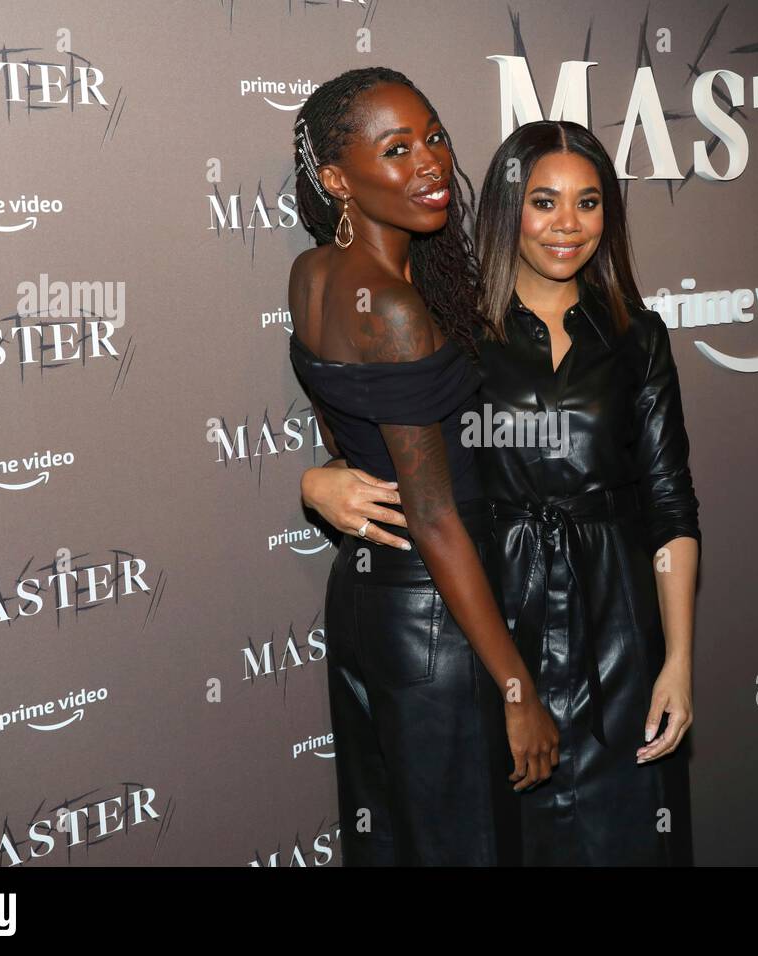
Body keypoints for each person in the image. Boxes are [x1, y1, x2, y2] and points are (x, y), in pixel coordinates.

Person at [303, 119, 701, 865]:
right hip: (490, 620)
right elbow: (396, 449)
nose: (567, 225)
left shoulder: (637, 335)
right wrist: (318, 477)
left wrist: (677, 660)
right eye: (544, 201)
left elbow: (671, 501)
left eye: (589, 203)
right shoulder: (456, 332)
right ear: (504, 209)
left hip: (618, 626)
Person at [286, 68, 557, 866]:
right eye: (397, 149)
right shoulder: (394, 308)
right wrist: (517, 687)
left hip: (373, 600)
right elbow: (435, 517)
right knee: (463, 843)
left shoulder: (313, 275)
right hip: (437, 612)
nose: (431, 163)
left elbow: (350, 432)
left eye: (434, 136)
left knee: (399, 839)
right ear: (337, 178)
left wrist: (321, 476)